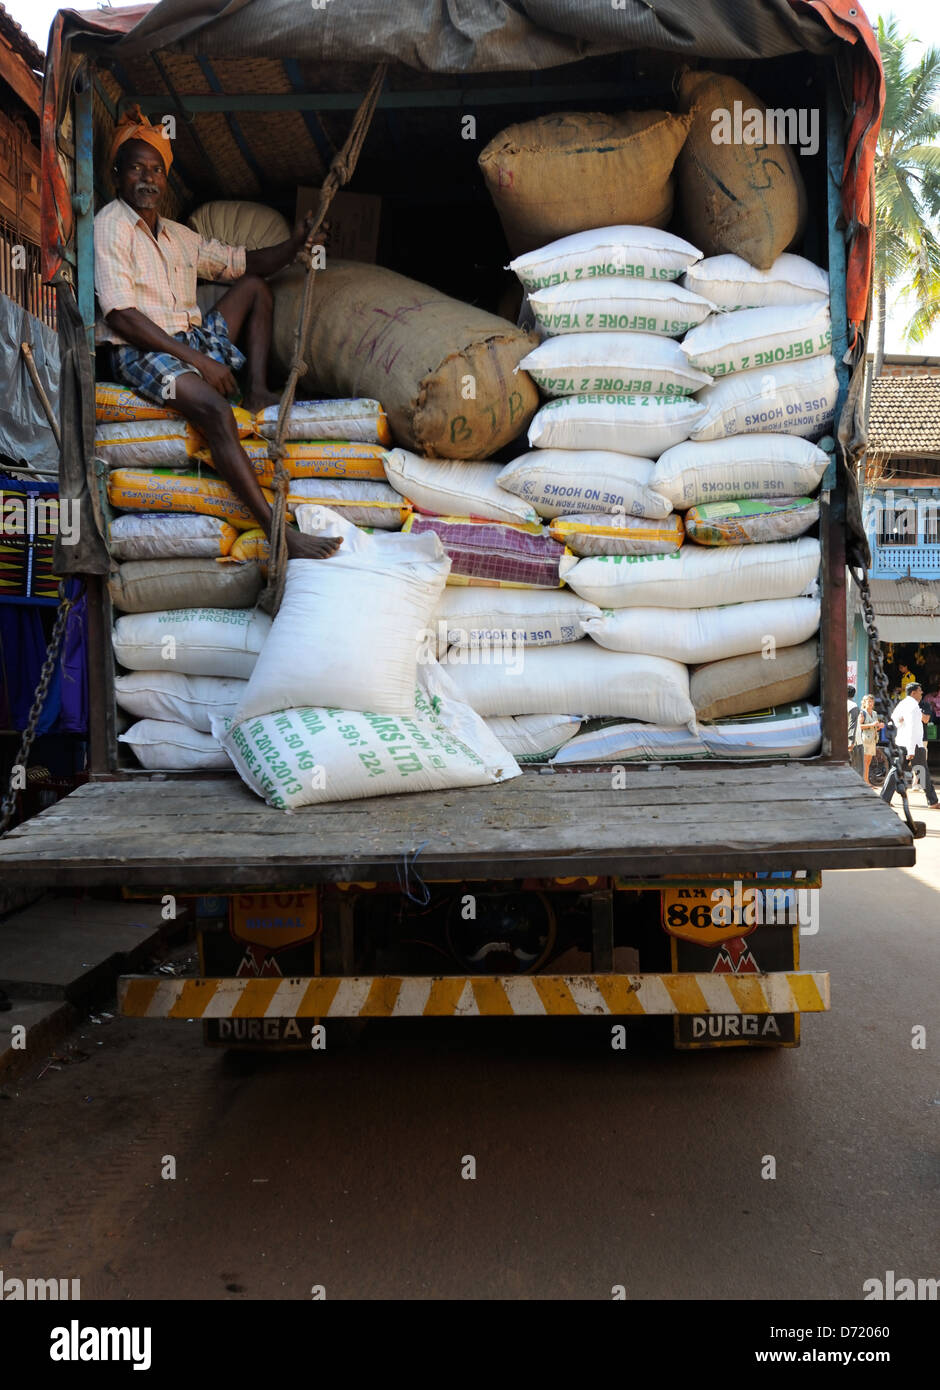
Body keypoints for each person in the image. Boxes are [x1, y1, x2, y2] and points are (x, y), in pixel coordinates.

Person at [94, 107, 340, 561]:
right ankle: (279, 532)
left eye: (156, 170)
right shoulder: (110, 225)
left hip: (186, 340)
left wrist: (296, 244)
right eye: (136, 169)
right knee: (212, 409)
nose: (147, 180)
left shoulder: (179, 237)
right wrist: (203, 364)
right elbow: (121, 316)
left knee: (253, 289)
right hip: (139, 348)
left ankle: (259, 391)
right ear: (116, 175)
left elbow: (246, 263)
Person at [879, 682, 940, 810]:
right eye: (920, 691)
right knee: (922, 772)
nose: (922, 693)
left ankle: (885, 798)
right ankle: (933, 801)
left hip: (903, 742)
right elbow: (912, 728)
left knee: (896, 770)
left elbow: (894, 718)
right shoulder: (913, 706)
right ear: (913, 693)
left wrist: (900, 722)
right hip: (913, 745)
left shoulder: (903, 703)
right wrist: (911, 750)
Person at [855, 694, 883, 785]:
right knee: (865, 762)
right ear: (864, 702)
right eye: (868, 701)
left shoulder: (874, 713)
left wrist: (879, 726)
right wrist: (872, 725)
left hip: (872, 739)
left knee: (868, 762)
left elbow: (875, 727)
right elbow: (859, 727)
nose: (870, 703)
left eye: (872, 701)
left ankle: (866, 781)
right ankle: (865, 782)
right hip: (865, 740)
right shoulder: (862, 713)